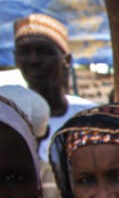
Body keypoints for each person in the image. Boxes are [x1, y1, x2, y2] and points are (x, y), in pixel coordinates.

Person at [12, 13, 93, 158]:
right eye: (24, 52)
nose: (33, 60)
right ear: (16, 59)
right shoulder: (9, 119)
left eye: (44, 51)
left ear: (66, 60)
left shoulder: (90, 117)